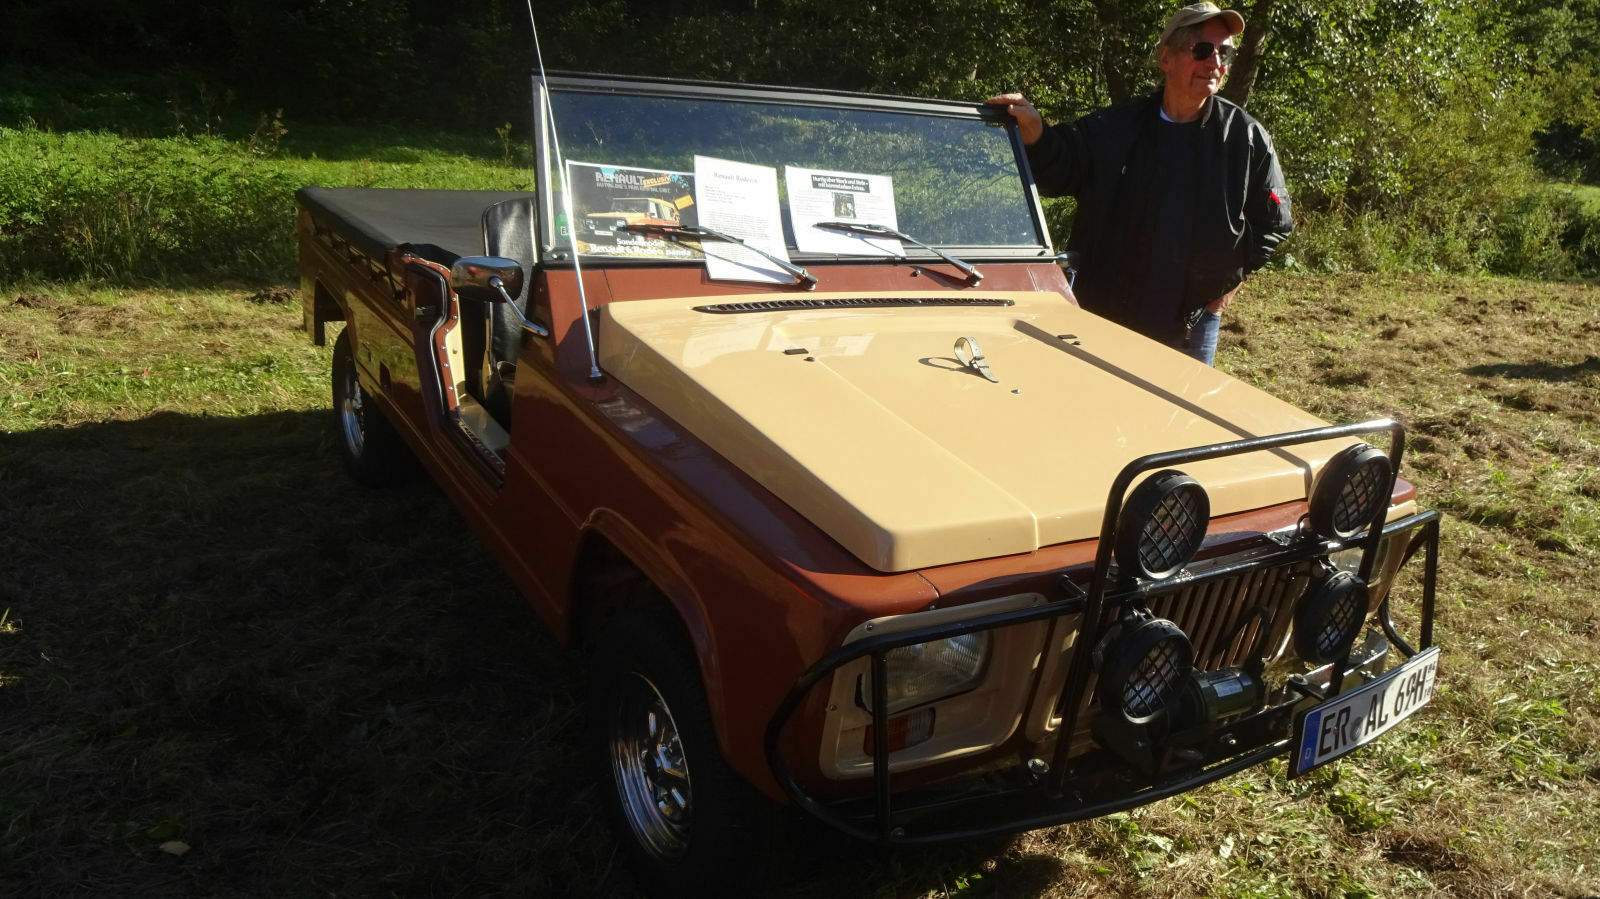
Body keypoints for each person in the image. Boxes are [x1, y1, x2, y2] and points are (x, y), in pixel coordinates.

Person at [988, 1, 1293, 365]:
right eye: (1202, 50)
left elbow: (1275, 223)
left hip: (1189, 324)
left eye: (1223, 53)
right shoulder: (1117, 127)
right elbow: (1062, 165)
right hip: (1105, 312)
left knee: (1177, 404)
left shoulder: (1246, 138)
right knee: (1094, 397)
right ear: (1167, 58)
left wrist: (1224, 289)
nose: (1215, 62)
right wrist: (1036, 135)